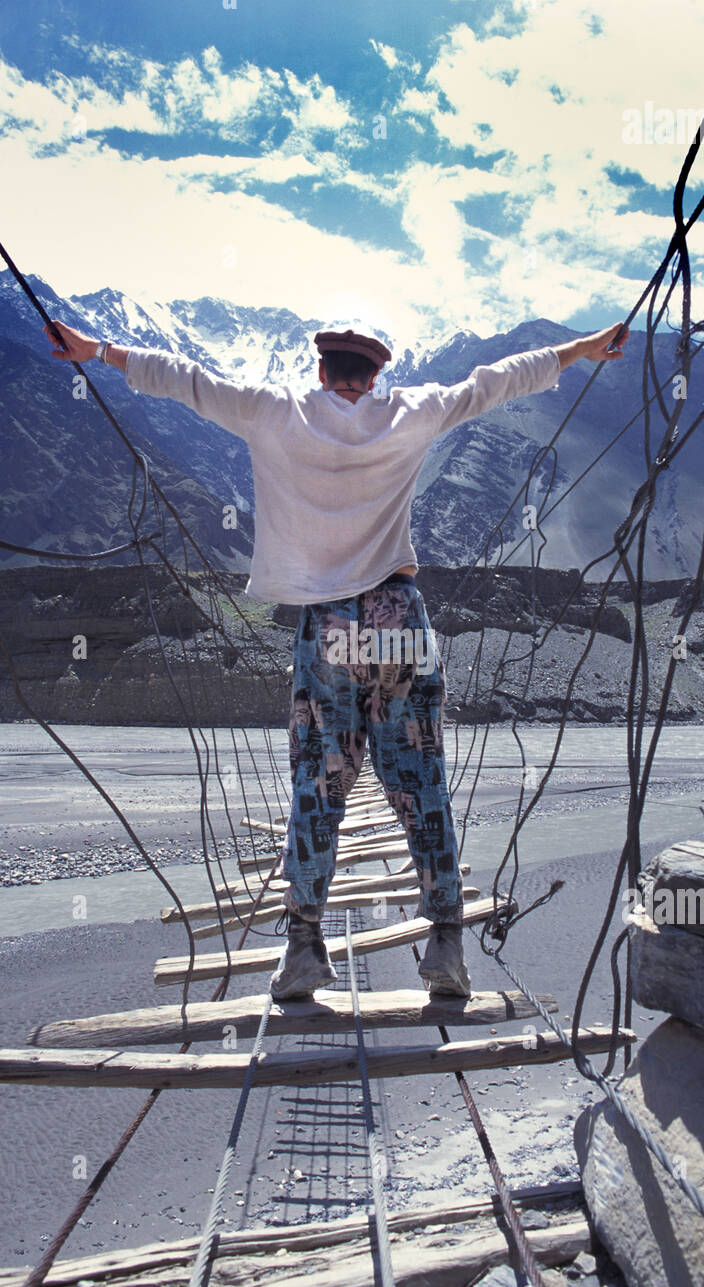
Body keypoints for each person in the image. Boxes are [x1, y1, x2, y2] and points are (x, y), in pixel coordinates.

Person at [44, 316, 628, 1000]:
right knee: (420, 781)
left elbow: (185, 381)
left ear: (321, 369)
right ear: (375, 374)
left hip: (329, 630)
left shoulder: (273, 412)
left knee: (318, 786)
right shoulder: (414, 412)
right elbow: (498, 381)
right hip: (398, 619)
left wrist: (98, 351)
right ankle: (445, 946)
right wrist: (582, 350)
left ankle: (303, 951)